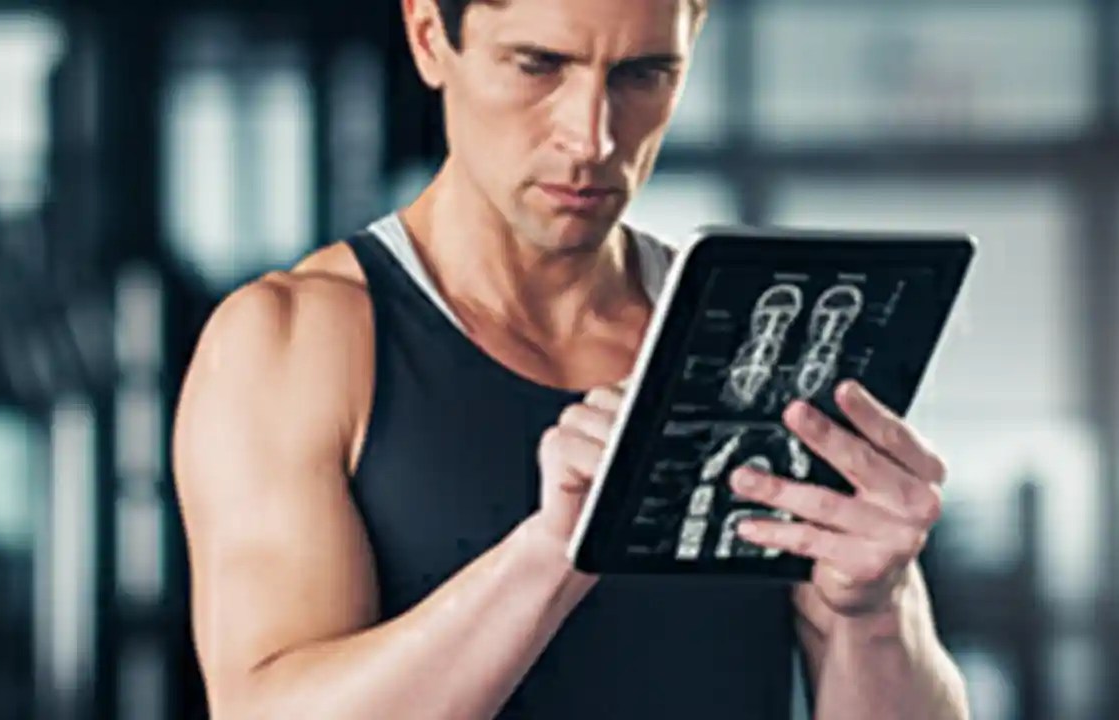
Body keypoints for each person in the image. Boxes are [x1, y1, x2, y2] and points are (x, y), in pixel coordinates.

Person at [171, 0, 970, 717]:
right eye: (538, 65)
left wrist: (873, 611)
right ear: (428, 36)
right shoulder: (292, 341)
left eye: (643, 74)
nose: (591, 137)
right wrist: (553, 552)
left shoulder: (753, 343)